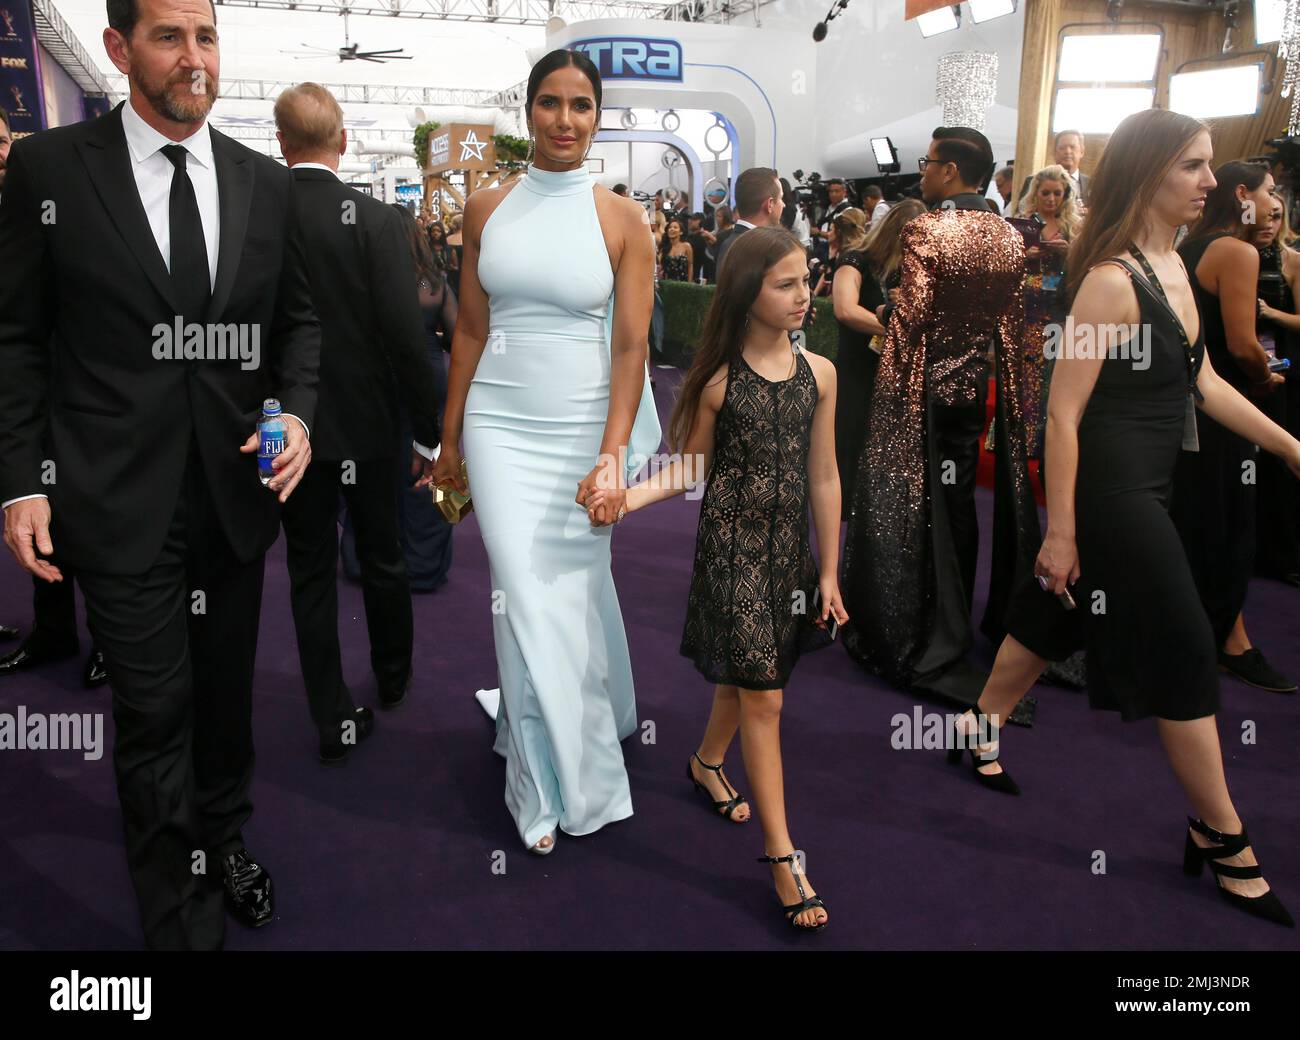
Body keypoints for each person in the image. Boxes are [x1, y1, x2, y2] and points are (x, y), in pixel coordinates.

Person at [0, 0, 321, 949]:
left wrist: (295, 413)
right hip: (113, 495)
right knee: (153, 710)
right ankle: (181, 923)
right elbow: (18, 335)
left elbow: (296, 324)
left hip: (235, 497)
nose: (194, 58)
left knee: (225, 698)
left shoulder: (264, 184)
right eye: (170, 37)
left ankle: (221, 839)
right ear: (118, 47)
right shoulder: (53, 171)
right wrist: (21, 478)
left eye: (206, 36)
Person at [954, 108, 1300, 929]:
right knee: (1185, 646)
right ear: (1149, 174)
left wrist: (1289, 444)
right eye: (1194, 167)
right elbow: (1063, 417)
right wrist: (1064, 530)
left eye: (1210, 166)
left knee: (1055, 612)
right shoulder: (1112, 278)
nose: (1212, 184)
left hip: (1153, 484)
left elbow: (1205, 383)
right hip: (1111, 494)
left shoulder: (1173, 262)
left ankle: (980, 723)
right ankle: (1221, 834)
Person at [428, 48, 661, 855]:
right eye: (550, 103)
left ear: (597, 117)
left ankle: (575, 753)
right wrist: (450, 437)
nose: (565, 120)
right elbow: (468, 329)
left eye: (582, 106)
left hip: (581, 427)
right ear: (528, 111)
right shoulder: (486, 208)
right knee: (522, 595)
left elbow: (631, 350)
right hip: (498, 425)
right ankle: (533, 782)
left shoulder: (625, 220)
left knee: (569, 594)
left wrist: (612, 453)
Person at [587, 226, 848, 931]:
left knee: (747, 676)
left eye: (806, 280)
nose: (803, 296)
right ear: (746, 293)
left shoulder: (820, 374)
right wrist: (626, 499)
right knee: (766, 697)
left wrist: (829, 570)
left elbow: (824, 475)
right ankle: (782, 854)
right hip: (731, 552)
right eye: (785, 284)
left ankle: (706, 761)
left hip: (789, 556)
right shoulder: (719, 382)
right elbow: (690, 469)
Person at [273, 83, 443, 763]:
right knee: (383, 555)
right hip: (371, 426)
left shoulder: (259, 213)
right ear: (343, 142)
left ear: (280, 144)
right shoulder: (375, 220)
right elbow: (406, 336)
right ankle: (395, 679)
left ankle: (328, 713)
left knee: (308, 569)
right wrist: (427, 431)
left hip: (287, 429)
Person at [841, 126, 1039, 706]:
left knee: (910, 503)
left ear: (950, 170)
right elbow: (1013, 325)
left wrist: (888, 326)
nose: (921, 174)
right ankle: (955, 615)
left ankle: (922, 623)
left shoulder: (929, 228)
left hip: (920, 393)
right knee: (955, 504)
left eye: (927, 164)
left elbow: (913, 321)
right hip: (972, 392)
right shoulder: (1006, 235)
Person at [1171, 161, 1296, 694]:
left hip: (1188, 409)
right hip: (1226, 405)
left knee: (1201, 519)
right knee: (1229, 524)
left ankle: (1216, 634)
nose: (1276, 202)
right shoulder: (1237, 252)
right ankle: (1226, 641)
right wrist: (1266, 377)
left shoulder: (1190, 245)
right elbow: (1244, 345)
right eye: (1271, 191)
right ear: (1243, 193)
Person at [832, 198, 925, 519]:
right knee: (851, 434)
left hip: (897, 371)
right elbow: (844, 309)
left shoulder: (914, 269)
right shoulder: (855, 259)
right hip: (857, 367)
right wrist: (890, 321)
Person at [1013, 165, 1080, 459]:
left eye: (1057, 193)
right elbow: (1006, 266)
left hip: (1061, 306)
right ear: (1035, 194)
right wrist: (1024, 255)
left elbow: (1088, 265)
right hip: (1028, 304)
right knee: (1026, 370)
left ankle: (1049, 438)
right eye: (1046, 193)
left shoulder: (1074, 226)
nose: (1052, 198)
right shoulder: (1023, 223)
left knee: (1054, 371)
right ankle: (1023, 437)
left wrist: (1070, 252)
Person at [1255, 193, 1300, 586]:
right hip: (1242, 369)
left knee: (1281, 461)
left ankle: (1284, 553)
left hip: (1285, 367)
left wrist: (1269, 313)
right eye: (1263, 216)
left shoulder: (1292, 261)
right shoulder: (1237, 253)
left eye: (1276, 217)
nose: (1268, 224)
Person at [714, 167, 784, 275]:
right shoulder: (760, 248)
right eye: (780, 198)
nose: (783, 204)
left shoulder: (730, 242)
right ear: (769, 204)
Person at [1018, 129, 1088, 209]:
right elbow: (1020, 214)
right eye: (1062, 148)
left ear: (1082, 151)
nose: (1067, 151)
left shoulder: (1091, 184)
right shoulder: (1033, 181)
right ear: (1054, 152)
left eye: (1072, 147)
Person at [811, 206, 866, 298]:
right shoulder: (841, 250)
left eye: (831, 229)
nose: (828, 233)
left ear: (839, 232)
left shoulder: (850, 257)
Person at [658, 216, 694, 282]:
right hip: (667, 283)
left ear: (681, 232)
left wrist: (689, 283)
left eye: (675, 227)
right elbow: (659, 267)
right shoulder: (664, 248)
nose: (672, 229)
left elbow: (690, 265)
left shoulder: (686, 246)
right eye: (670, 227)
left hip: (683, 283)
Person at [686, 211, 715, 283]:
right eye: (690, 219)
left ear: (700, 221)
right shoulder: (689, 237)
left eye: (694, 219)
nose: (690, 221)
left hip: (696, 275)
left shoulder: (703, 237)